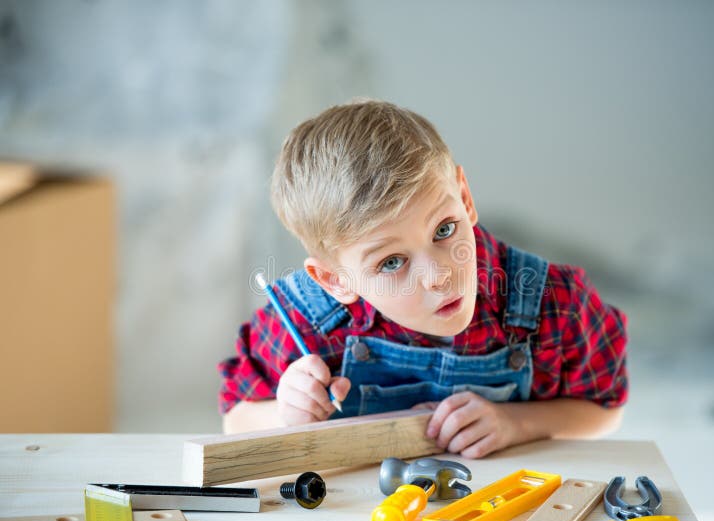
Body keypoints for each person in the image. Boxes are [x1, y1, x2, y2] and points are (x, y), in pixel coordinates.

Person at [218, 99, 628, 459]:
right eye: (392, 263)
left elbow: (605, 411)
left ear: (464, 199)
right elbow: (236, 420)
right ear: (334, 280)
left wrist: (517, 423)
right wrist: (285, 413)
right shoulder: (307, 319)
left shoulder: (548, 302)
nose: (439, 276)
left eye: (444, 229)